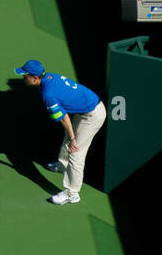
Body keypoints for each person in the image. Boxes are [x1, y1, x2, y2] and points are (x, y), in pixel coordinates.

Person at [14, 60, 107, 205]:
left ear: (35, 78)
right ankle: (62, 166)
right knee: (68, 139)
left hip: (93, 115)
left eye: (25, 75)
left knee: (75, 151)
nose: (23, 78)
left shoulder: (48, 94)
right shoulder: (49, 77)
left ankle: (72, 193)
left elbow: (64, 117)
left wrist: (72, 137)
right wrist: (70, 136)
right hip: (85, 110)